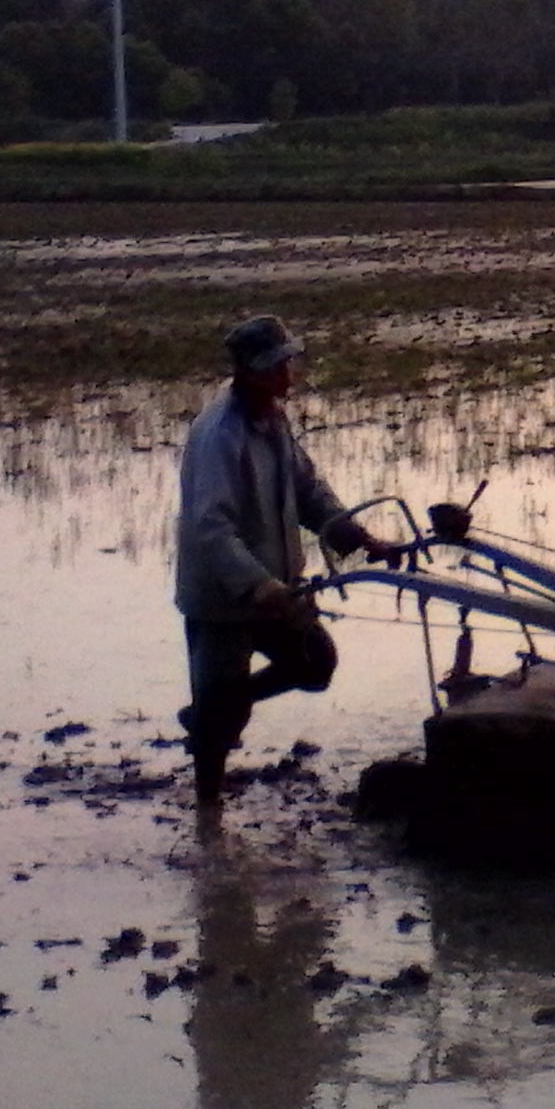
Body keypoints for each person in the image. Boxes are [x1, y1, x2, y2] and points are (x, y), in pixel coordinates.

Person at [175, 315, 397, 815]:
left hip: (279, 587)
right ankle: (208, 815)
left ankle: (211, 710)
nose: (287, 375)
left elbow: (308, 490)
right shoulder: (220, 436)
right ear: (248, 372)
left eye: (288, 364)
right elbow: (210, 528)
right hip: (223, 598)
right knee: (220, 723)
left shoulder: (274, 419)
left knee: (315, 663)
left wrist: (359, 539)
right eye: (276, 367)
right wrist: (258, 586)